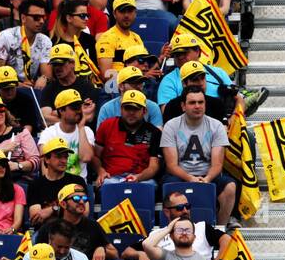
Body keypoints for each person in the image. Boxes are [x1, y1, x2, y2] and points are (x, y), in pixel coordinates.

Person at [161, 88, 236, 225]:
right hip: (180, 175)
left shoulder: (216, 126)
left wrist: (207, 179)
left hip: (207, 175)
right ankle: (172, 228)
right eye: (192, 102)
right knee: (168, 183)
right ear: (183, 106)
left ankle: (220, 227)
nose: (197, 106)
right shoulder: (171, 126)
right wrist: (190, 178)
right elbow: (171, 165)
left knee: (230, 187)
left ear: (205, 105)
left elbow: (217, 165)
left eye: (201, 102)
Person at [93, 89, 163, 185]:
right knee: (106, 184)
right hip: (111, 177)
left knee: (149, 185)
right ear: (121, 109)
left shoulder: (154, 132)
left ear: (144, 111)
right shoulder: (106, 125)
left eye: (135, 109)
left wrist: (139, 177)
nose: (131, 112)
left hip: (141, 178)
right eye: (127, 108)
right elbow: (95, 156)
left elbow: (154, 166)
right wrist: (101, 171)